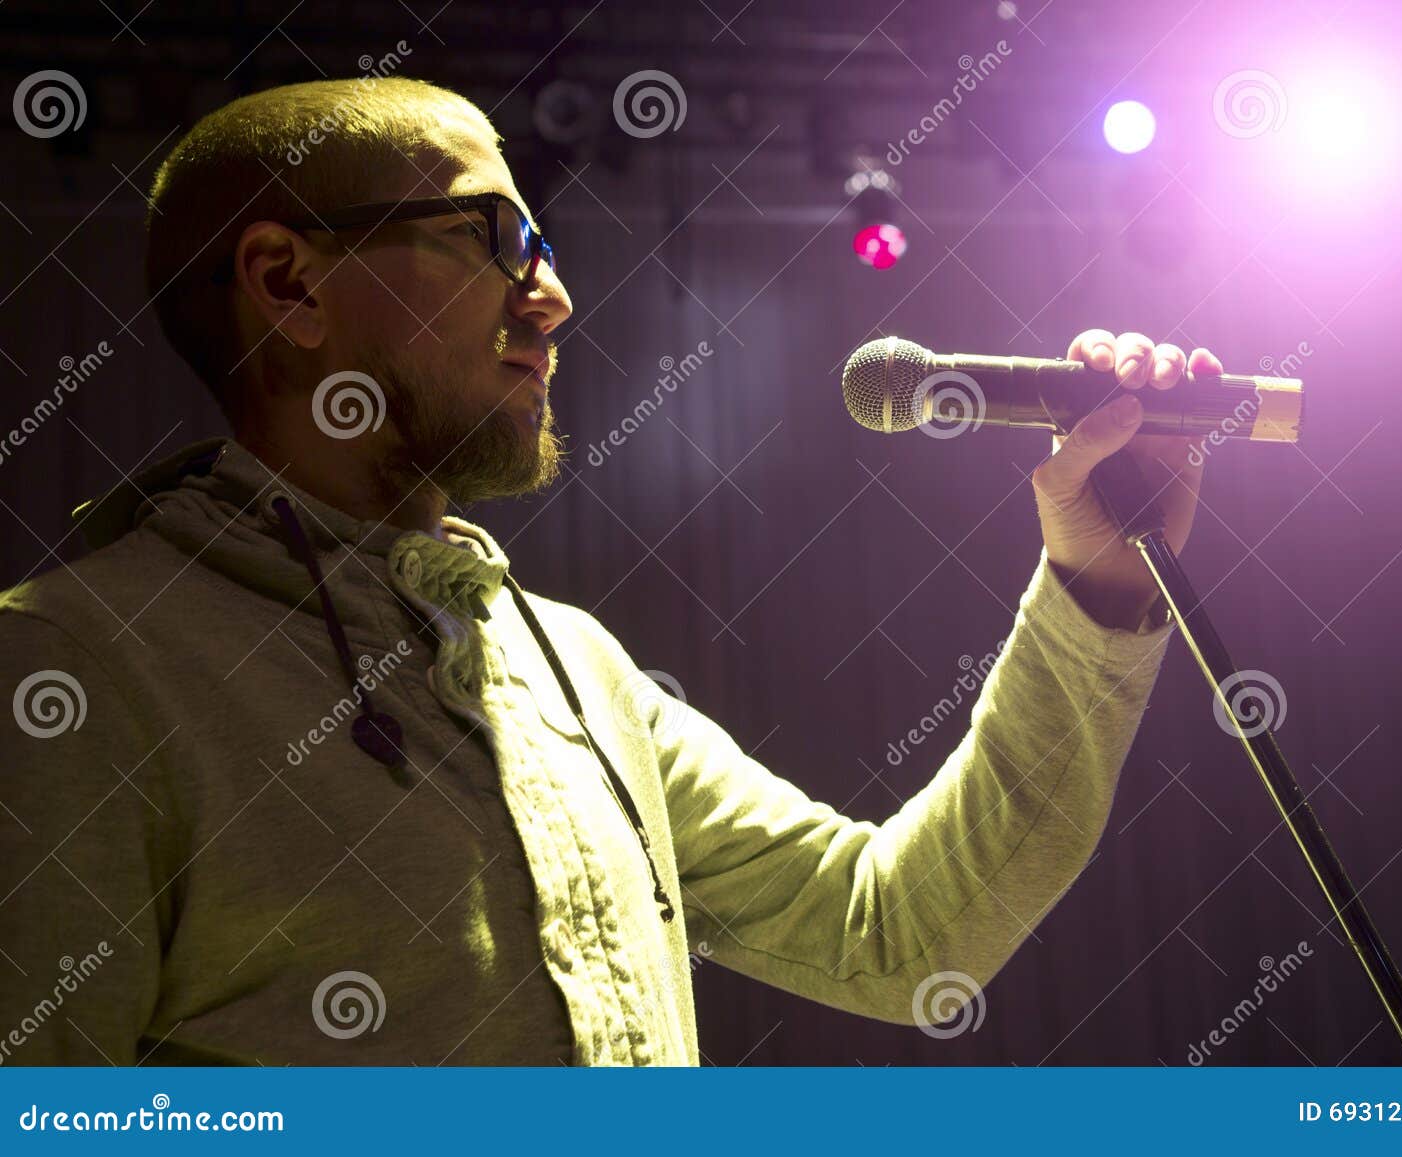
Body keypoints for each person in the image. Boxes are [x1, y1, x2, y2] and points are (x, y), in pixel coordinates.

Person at [0, 77, 1220, 1065]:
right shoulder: (75, 665)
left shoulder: (566, 662)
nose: (554, 297)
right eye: (493, 238)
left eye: (544, 244)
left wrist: (1095, 580)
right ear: (290, 283)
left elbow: (896, 932)